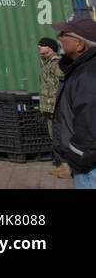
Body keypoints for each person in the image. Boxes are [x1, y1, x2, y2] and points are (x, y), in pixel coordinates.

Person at [51, 15, 96, 187]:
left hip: (89, 166)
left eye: (64, 34)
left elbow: (91, 125)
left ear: (80, 44)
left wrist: (76, 156)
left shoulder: (89, 75)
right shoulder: (80, 69)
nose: (59, 38)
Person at [39, 37, 66, 176]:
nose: (39, 47)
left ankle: (65, 165)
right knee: (54, 135)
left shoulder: (56, 63)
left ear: (50, 47)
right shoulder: (47, 62)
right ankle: (60, 163)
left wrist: (58, 101)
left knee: (60, 134)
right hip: (48, 106)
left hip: (55, 105)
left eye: (42, 45)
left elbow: (61, 82)